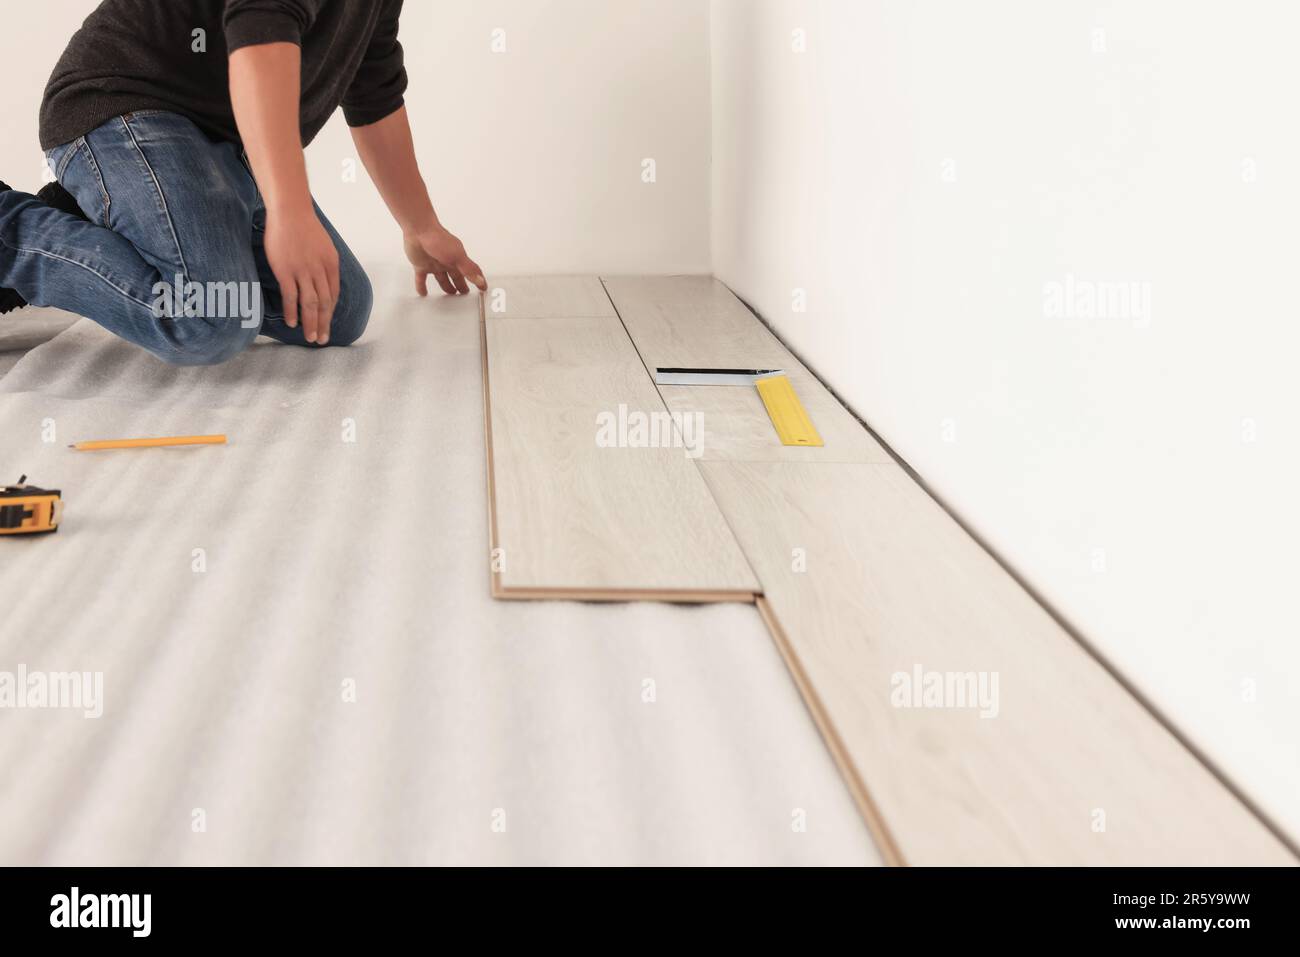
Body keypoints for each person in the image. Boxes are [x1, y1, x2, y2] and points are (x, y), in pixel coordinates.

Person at [0, 0, 485, 365]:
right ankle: (12, 233)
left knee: (340, 313)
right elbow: (259, 47)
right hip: (124, 102)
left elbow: (373, 88)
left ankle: (100, 206)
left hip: (220, 141)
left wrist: (420, 226)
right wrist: (289, 214)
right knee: (210, 319)